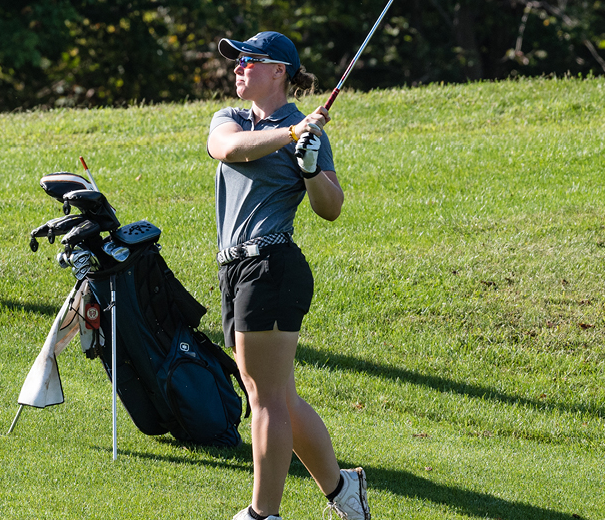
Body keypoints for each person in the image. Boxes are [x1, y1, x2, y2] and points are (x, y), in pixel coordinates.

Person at [206, 31, 371, 520]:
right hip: (235, 267)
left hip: (272, 266)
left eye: (248, 61)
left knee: (268, 398)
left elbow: (331, 207)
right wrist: (290, 136)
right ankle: (344, 490)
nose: (237, 69)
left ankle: (264, 514)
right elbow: (228, 149)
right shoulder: (232, 119)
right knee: (272, 394)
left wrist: (310, 169)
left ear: (279, 70)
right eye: (235, 62)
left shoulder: (307, 131)